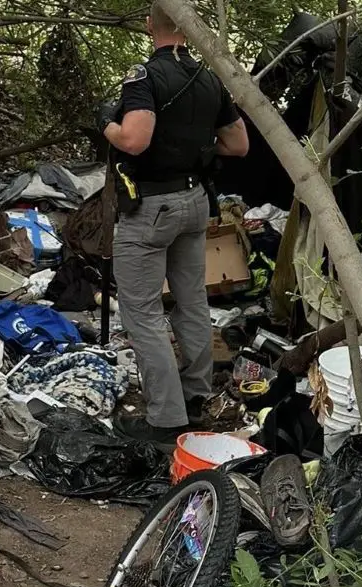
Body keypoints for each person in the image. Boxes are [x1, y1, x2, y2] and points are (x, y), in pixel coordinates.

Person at [98, 0, 249, 444]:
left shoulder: (144, 77)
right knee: (192, 302)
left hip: (151, 208)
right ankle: (198, 394)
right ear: (187, 29)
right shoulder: (208, 79)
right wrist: (200, 151)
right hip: (195, 202)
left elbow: (134, 139)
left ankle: (166, 419)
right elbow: (238, 144)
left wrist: (106, 121)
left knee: (142, 312)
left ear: (150, 27)